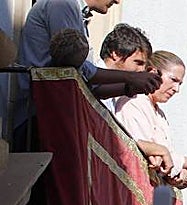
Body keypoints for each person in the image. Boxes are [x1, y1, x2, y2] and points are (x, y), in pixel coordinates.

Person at [15, 0, 159, 140]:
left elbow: (91, 87)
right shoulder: (62, 3)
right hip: (38, 116)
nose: (117, 1)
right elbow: (82, 70)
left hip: (51, 116)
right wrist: (130, 78)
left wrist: (129, 88)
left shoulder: (76, 12)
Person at [114, 51, 187, 188]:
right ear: (153, 73)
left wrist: (182, 172)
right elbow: (136, 149)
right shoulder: (134, 102)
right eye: (173, 80)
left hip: (157, 198)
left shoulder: (159, 114)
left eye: (180, 84)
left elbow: (166, 159)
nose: (176, 89)